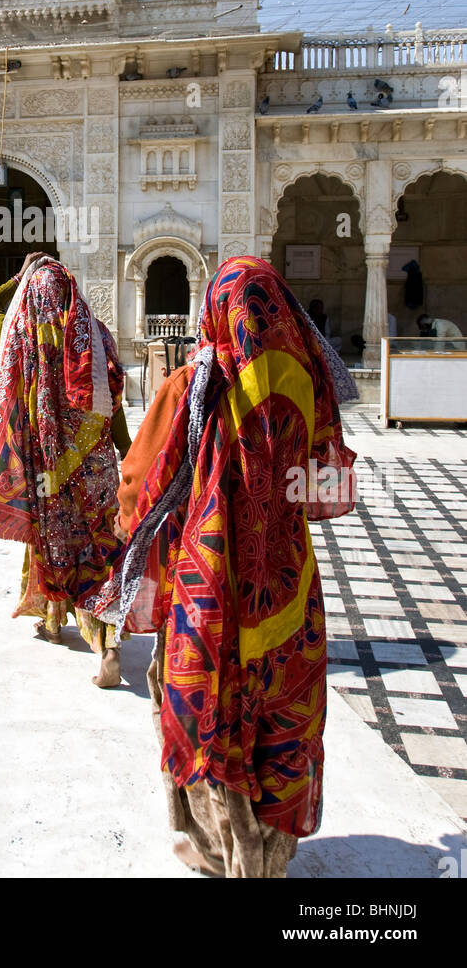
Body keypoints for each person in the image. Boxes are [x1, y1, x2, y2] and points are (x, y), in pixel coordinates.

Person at [111, 256, 358, 878]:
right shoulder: (307, 377)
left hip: (211, 585)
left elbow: (141, 485)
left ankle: (220, 850)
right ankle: (272, 856)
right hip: (287, 588)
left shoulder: (198, 383)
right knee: (280, 714)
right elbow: (318, 482)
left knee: (206, 709)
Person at [0, 253, 131, 688]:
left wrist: (19, 276)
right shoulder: (95, 336)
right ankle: (109, 643)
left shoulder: (19, 338)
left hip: (48, 475)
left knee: (52, 545)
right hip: (96, 472)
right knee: (99, 554)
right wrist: (128, 452)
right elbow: (113, 401)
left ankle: (51, 620)